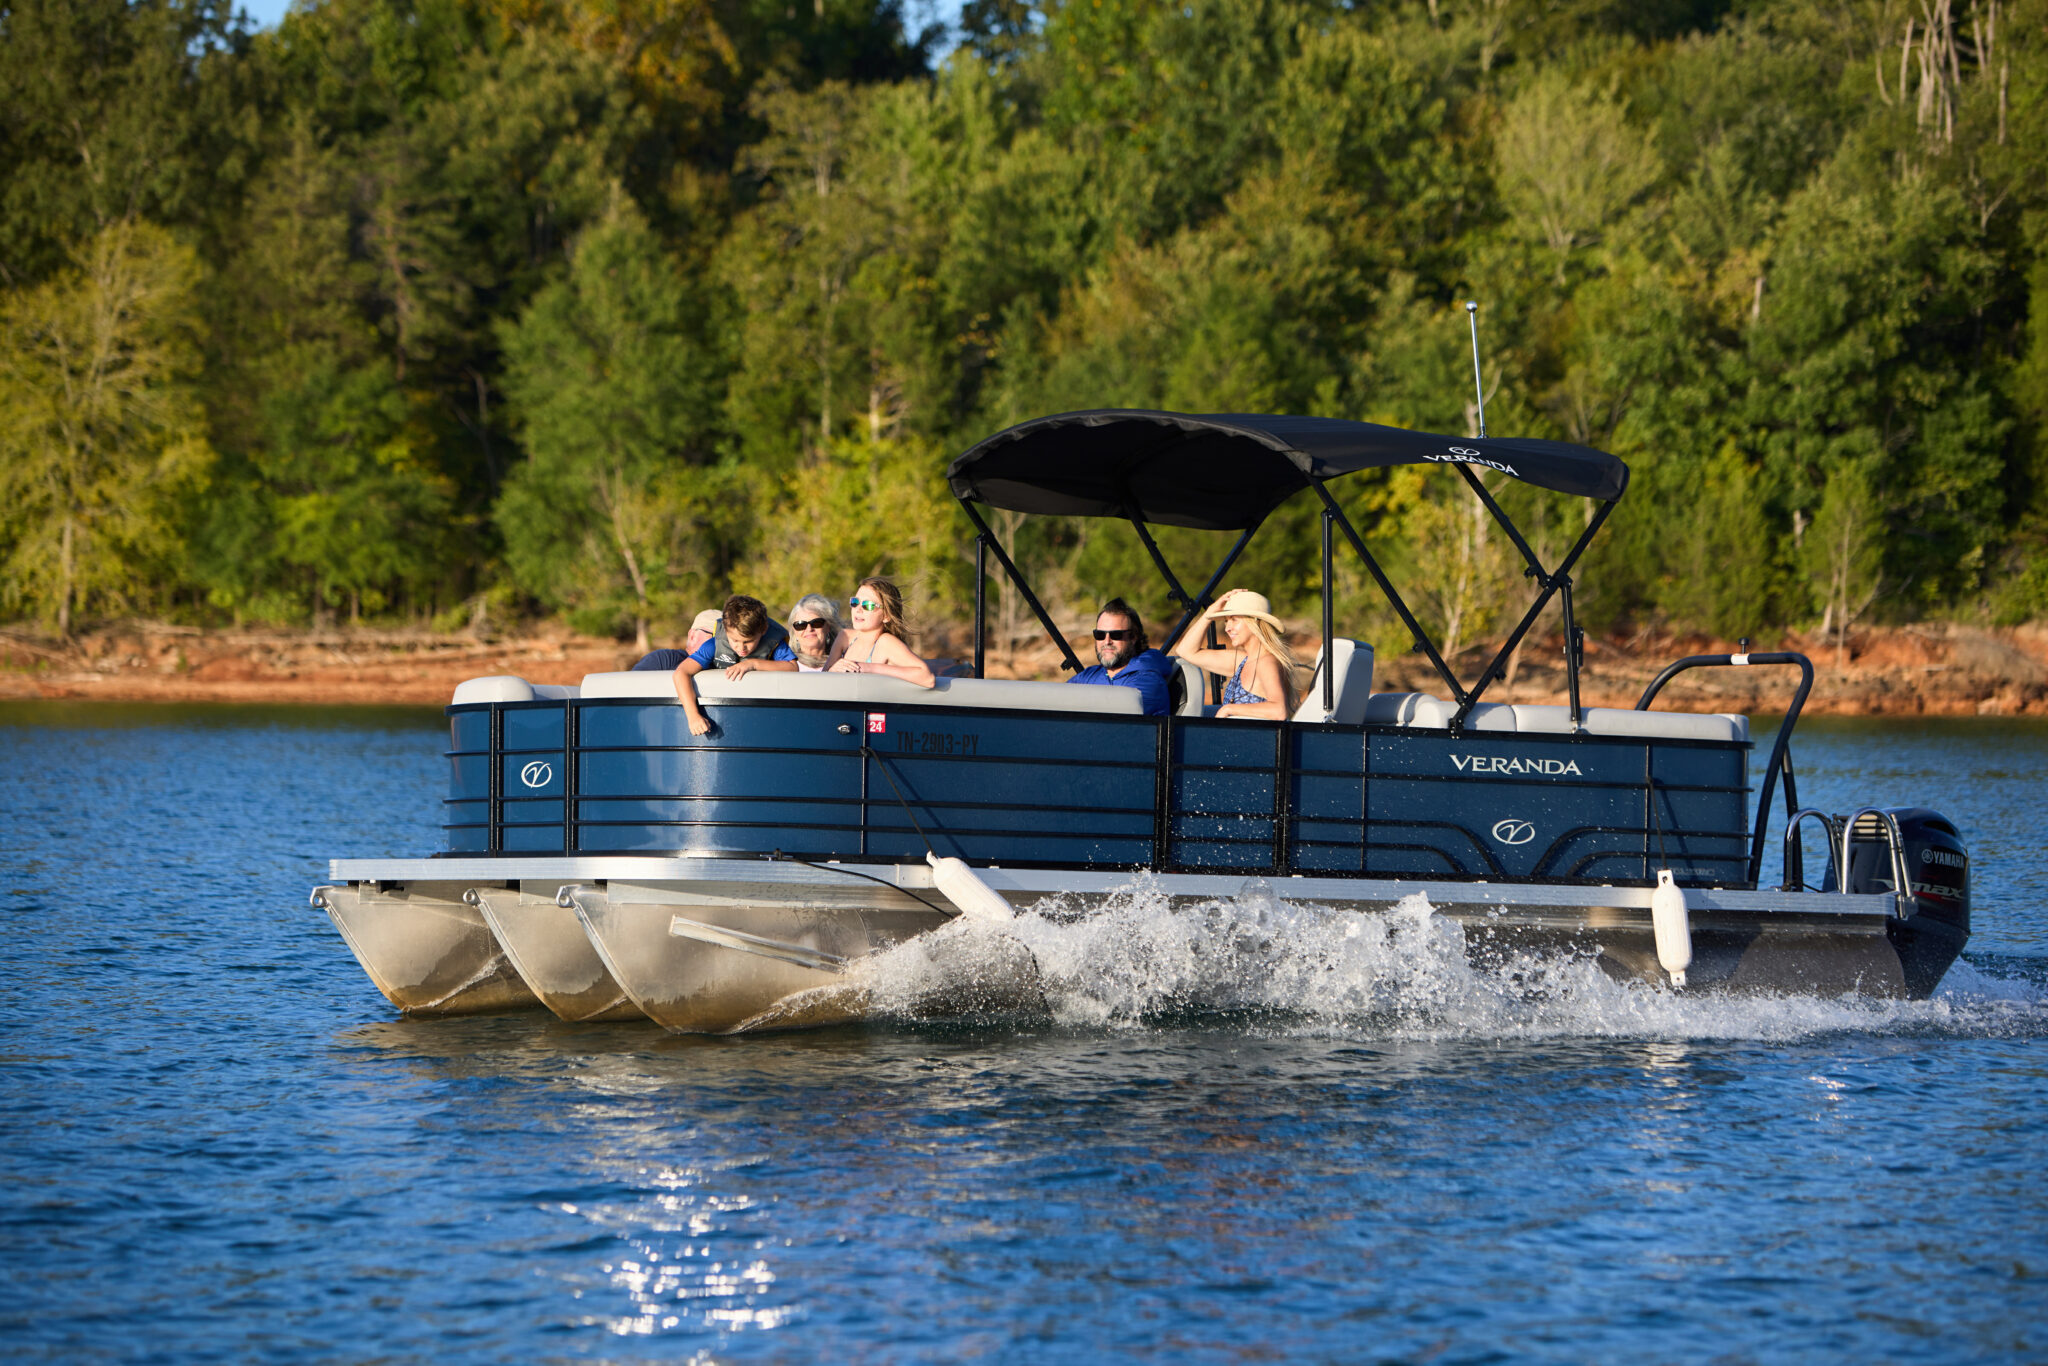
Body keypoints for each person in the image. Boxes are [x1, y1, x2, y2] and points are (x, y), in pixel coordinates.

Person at [1168, 588, 1305, 720]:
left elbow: (1279, 711)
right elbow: (1186, 651)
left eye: (1234, 620)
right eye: (1226, 621)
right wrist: (1209, 613)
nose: (1227, 628)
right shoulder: (1243, 660)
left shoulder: (1266, 662)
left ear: (1254, 622)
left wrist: (1229, 709)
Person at [671, 595, 798, 735]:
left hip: (760, 714)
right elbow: (681, 673)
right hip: (723, 717)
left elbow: (792, 668)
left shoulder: (774, 643)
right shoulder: (713, 645)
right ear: (725, 629)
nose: (741, 647)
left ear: (763, 630)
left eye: (748, 641)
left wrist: (754, 664)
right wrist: (693, 716)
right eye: (735, 640)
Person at [1067, 597, 1172, 716]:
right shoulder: (1089, 675)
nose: (1107, 641)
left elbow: (1111, 719)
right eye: (1100, 634)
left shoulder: (1147, 679)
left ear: (1133, 637)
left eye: (1116, 635)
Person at [825, 577, 935, 688]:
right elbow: (822, 680)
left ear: (886, 616)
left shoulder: (886, 643)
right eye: (855, 602)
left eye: (868, 605)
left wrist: (868, 668)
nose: (858, 609)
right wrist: (832, 670)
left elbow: (928, 679)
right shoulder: (845, 637)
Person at [631, 608, 723, 673]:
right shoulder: (664, 660)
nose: (720, 643)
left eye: (726, 640)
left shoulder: (728, 668)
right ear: (692, 636)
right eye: (715, 637)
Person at [786, 593, 841, 672]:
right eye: (801, 625)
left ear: (828, 627)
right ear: (794, 631)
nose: (809, 629)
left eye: (816, 623)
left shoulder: (840, 664)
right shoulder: (785, 667)